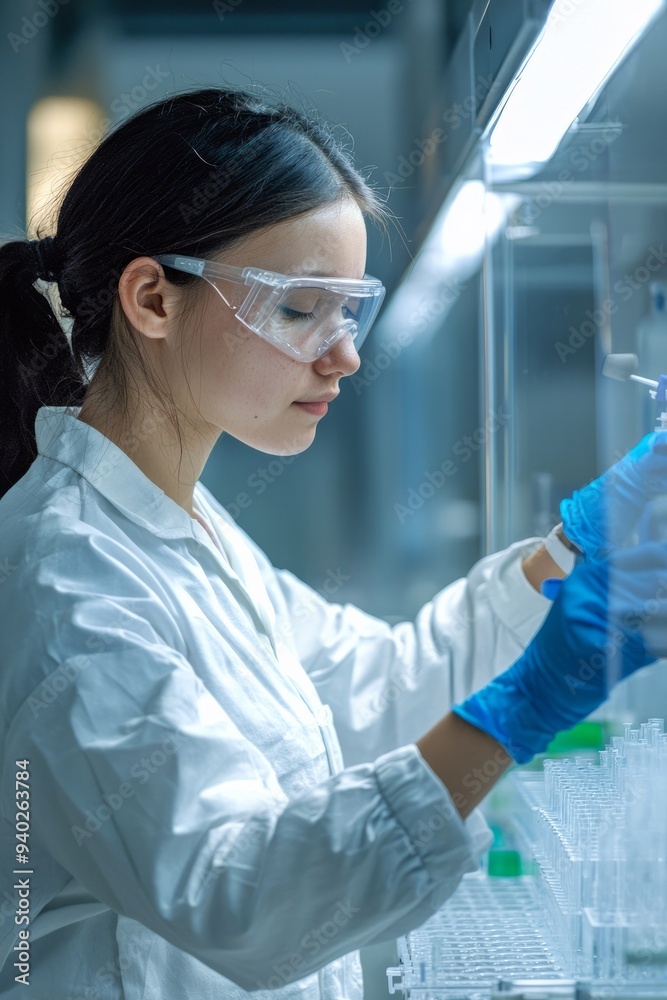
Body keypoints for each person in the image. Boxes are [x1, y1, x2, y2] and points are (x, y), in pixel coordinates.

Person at [0, 86, 665, 1000]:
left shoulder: (184, 527)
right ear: (153, 298)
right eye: (299, 308)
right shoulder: (67, 580)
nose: (343, 354)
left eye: (349, 308)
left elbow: (373, 689)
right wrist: (527, 702)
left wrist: (571, 549)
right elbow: (240, 895)